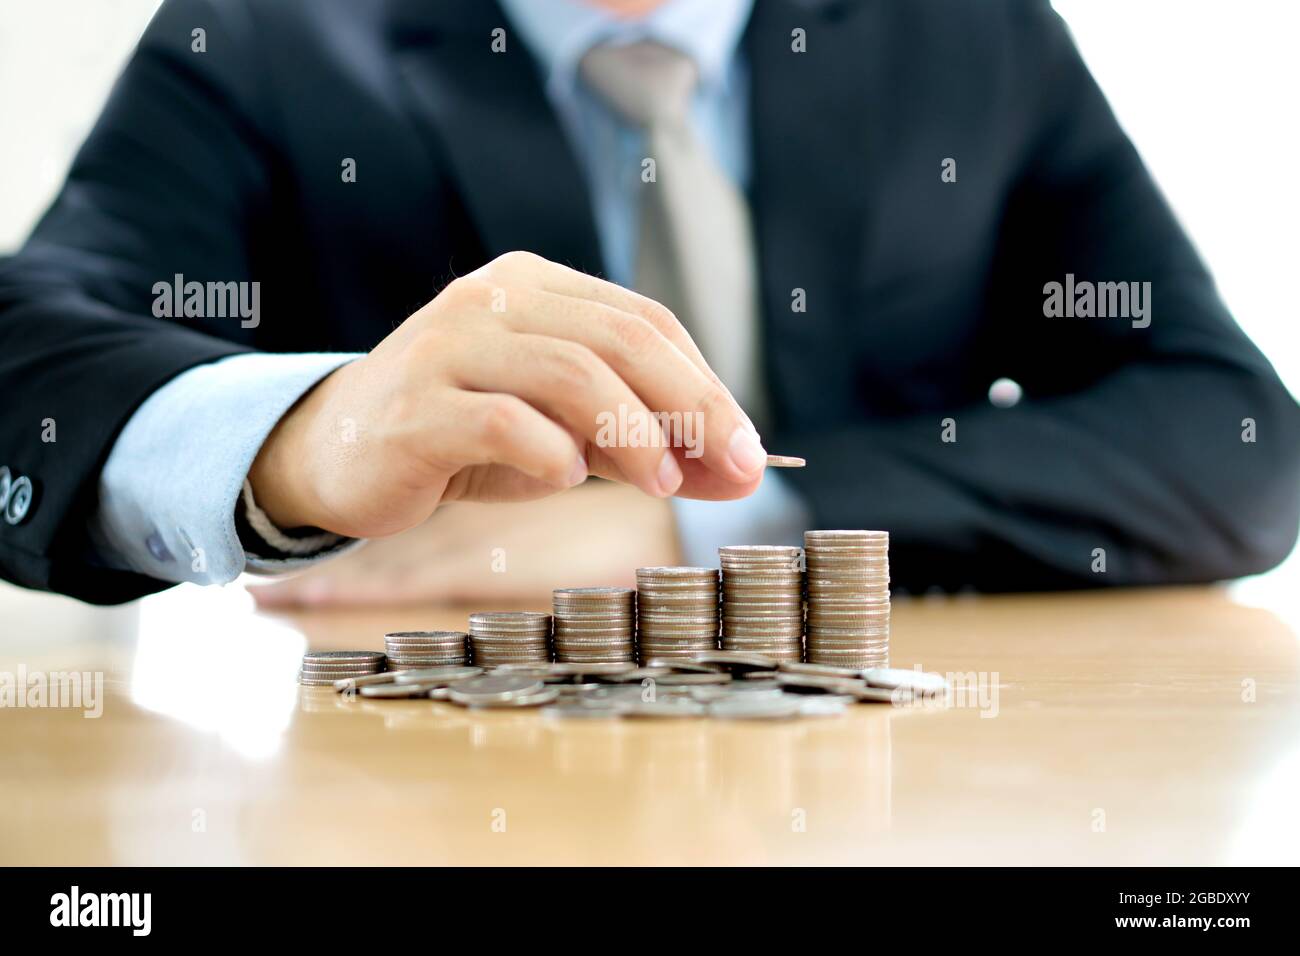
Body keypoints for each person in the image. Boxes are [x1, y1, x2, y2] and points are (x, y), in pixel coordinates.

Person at [0, 0, 1296, 607]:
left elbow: (1237, 438)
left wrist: (705, 534)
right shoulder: (268, 34)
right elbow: (23, 370)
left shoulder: (970, 33)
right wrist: (301, 438)